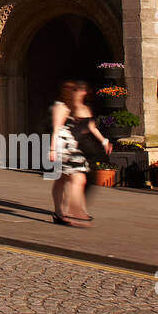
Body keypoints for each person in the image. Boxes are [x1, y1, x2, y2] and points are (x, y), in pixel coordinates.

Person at [49, 80, 111, 227]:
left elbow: (90, 127)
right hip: (63, 146)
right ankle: (70, 210)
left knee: (64, 179)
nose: (79, 92)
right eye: (74, 90)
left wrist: (104, 141)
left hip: (72, 145)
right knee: (73, 178)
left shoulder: (77, 108)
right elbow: (56, 129)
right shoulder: (61, 107)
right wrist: (52, 149)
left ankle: (64, 211)